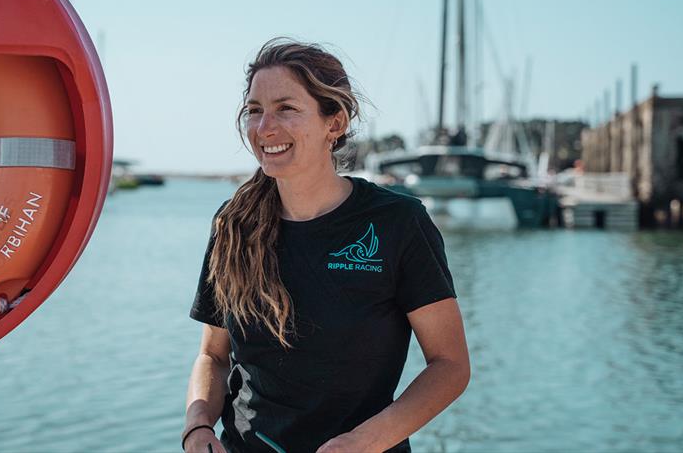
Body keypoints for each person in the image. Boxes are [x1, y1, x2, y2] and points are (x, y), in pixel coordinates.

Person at [183, 39, 470, 453]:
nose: (265, 128)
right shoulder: (234, 225)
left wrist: (364, 442)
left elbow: (450, 365)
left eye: (286, 108)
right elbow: (213, 355)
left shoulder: (397, 223)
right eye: (255, 110)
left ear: (333, 123)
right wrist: (197, 428)